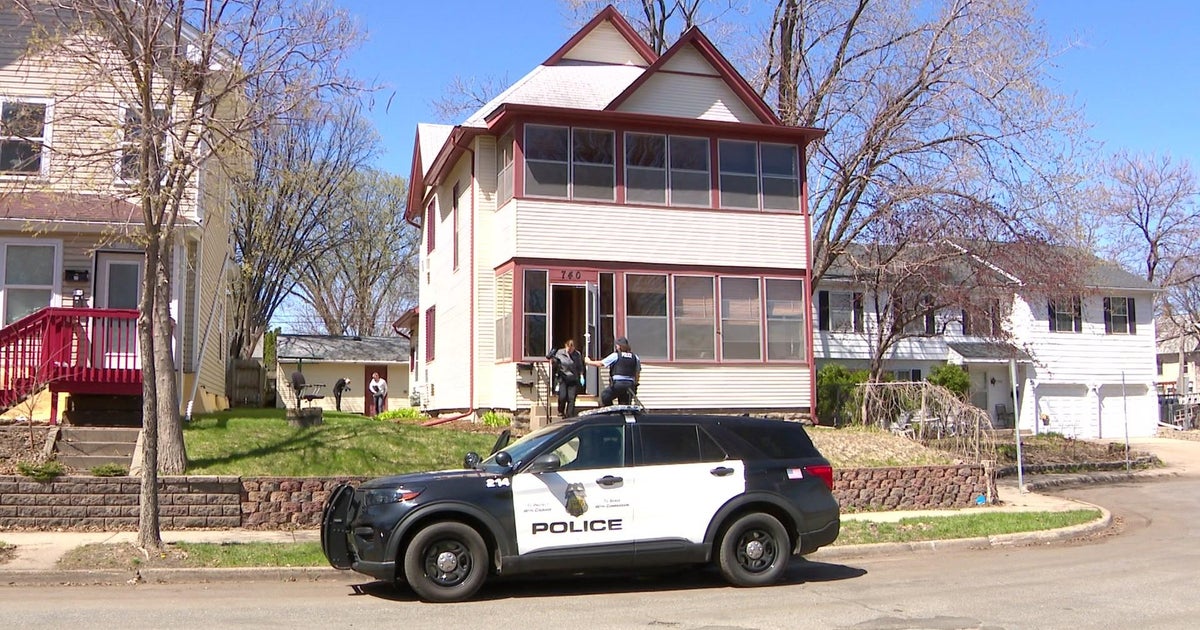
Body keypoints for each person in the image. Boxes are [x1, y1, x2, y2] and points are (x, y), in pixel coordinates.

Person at [587, 336, 641, 406]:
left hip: (618, 384)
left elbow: (601, 363)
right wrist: (635, 385)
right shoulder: (635, 357)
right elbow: (637, 373)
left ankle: (612, 413)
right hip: (629, 385)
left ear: (619, 346)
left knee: (605, 396)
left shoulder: (615, 356)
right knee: (624, 405)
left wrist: (588, 361)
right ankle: (622, 415)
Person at [547, 338, 584, 418]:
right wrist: (553, 361)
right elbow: (554, 363)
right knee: (562, 396)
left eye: (571, 349)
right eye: (568, 348)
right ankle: (561, 411)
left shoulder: (577, 354)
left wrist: (581, 376)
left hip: (573, 378)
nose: (570, 351)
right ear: (566, 346)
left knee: (571, 398)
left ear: (574, 347)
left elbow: (580, 366)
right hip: (563, 377)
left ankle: (569, 415)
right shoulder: (560, 353)